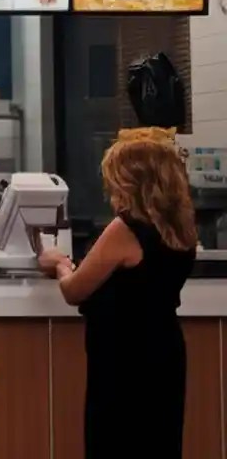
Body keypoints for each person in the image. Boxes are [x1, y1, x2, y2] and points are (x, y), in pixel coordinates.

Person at [37, 127, 195, 459]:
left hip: (124, 360)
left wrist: (60, 264)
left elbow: (75, 290)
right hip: (164, 351)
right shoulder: (181, 227)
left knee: (115, 444)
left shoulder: (125, 228)